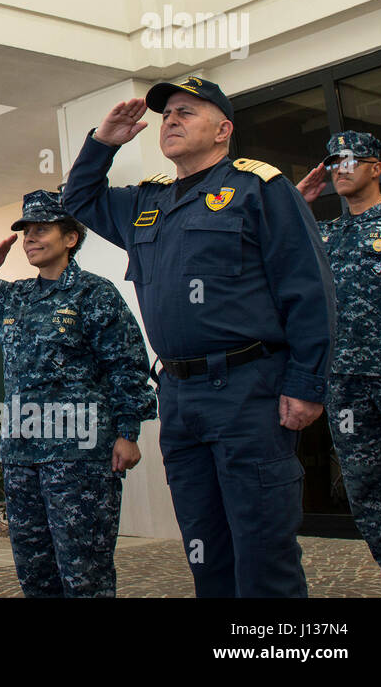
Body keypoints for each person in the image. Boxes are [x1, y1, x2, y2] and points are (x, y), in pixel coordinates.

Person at [63, 76, 336, 598]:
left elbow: (307, 287)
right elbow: (79, 198)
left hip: (248, 389)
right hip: (180, 396)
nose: (172, 120)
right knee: (204, 544)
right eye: (167, 114)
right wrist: (103, 143)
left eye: (188, 112)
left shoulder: (261, 187)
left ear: (223, 130)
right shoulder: (148, 202)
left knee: (262, 547)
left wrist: (307, 383)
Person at [0, 190, 155, 596]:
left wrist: (128, 432)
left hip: (79, 456)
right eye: (26, 231)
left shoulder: (94, 294)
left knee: (85, 572)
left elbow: (126, 365)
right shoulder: (14, 295)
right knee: (35, 570)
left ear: (71, 238)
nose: (30, 239)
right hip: (22, 454)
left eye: (41, 230)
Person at [296, 130, 381, 596]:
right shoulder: (324, 233)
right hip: (343, 384)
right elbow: (266, 253)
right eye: (334, 160)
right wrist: (297, 205)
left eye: (352, 160)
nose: (341, 168)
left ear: (376, 167)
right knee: (367, 489)